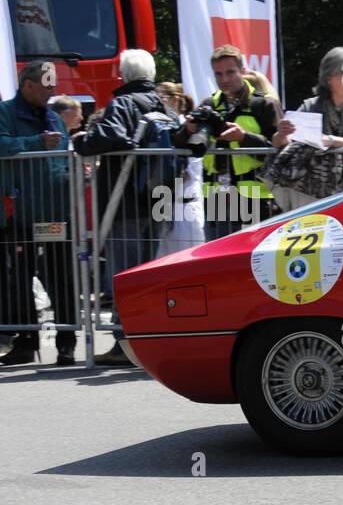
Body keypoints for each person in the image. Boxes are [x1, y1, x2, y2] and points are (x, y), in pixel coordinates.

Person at [73, 49, 204, 364]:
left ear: (123, 74)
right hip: (156, 201)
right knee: (146, 277)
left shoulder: (122, 104)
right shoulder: (163, 106)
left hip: (125, 204)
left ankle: (125, 345)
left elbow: (106, 137)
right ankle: (144, 342)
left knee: (125, 277)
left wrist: (80, 140)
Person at [0, 60, 73, 365]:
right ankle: (26, 341)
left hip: (54, 212)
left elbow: (63, 152)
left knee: (61, 277)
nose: (52, 90)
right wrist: (35, 142)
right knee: (20, 278)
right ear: (27, 85)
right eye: (46, 85)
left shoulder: (54, 117)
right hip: (20, 213)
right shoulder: (5, 113)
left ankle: (66, 342)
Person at [266, 47, 343, 210]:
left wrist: (330, 141)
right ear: (328, 79)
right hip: (315, 198)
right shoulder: (310, 105)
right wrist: (281, 134)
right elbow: (284, 143)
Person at [198, 44, 282, 238]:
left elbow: (280, 153)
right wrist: (187, 130)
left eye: (230, 72)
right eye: (218, 74)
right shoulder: (208, 105)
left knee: (256, 264)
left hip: (256, 199)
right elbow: (184, 144)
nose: (224, 79)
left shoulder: (265, 104)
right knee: (217, 265)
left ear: (243, 71)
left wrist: (244, 137)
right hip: (216, 198)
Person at [154, 83, 206, 257]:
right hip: (165, 205)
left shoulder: (188, 127)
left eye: (161, 99)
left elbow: (189, 172)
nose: (158, 103)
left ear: (175, 100)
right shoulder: (161, 128)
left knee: (188, 260)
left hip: (186, 205)